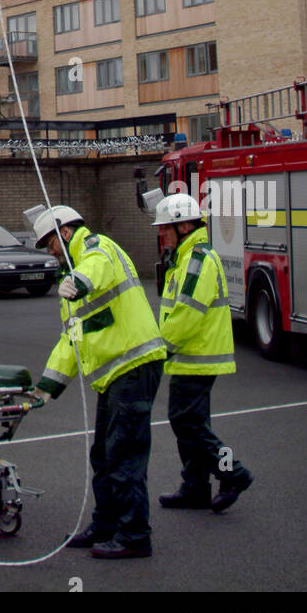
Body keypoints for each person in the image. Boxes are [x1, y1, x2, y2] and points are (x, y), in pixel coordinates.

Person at [33, 204, 166, 558]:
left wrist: (78, 282)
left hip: (134, 366)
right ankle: (106, 525)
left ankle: (135, 536)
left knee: (124, 454)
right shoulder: (73, 271)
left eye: (49, 243)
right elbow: (71, 340)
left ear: (64, 232)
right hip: (116, 374)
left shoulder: (96, 248)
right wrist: (46, 387)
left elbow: (97, 269)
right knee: (104, 455)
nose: (50, 251)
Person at [154, 193, 253, 513]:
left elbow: (186, 314)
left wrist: (160, 351)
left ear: (184, 226)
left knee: (189, 424)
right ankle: (195, 487)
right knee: (192, 423)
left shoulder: (197, 259)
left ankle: (232, 472)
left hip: (196, 357)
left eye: (166, 228)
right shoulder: (187, 257)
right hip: (191, 357)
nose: (161, 233)